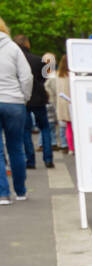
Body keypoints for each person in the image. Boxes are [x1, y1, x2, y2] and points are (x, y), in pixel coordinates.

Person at [0, 16, 33, 204]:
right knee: (15, 147)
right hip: (14, 102)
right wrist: (23, 97)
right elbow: (26, 76)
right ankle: (20, 191)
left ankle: (3, 194)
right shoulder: (13, 48)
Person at [14, 35, 53, 168]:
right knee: (45, 128)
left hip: (22, 99)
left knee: (25, 130)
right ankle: (48, 159)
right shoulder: (38, 60)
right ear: (27, 43)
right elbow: (45, 78)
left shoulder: (14, 61)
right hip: (39, 98)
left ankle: (30, 161)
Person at [42, 52, 65, 151]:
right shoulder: (53, 75)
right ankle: (56, 143)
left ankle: (51, 143)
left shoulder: (48, 75)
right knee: (52, 124)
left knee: (49, 124)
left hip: (49, 101)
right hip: (51, 101)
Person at [54, 55, 72, 154]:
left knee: (65, 127)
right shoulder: (71, 75)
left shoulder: (58, 74)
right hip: (71, 102)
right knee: (73, 126)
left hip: (61, 102)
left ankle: (67, 146)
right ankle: (73, 147)